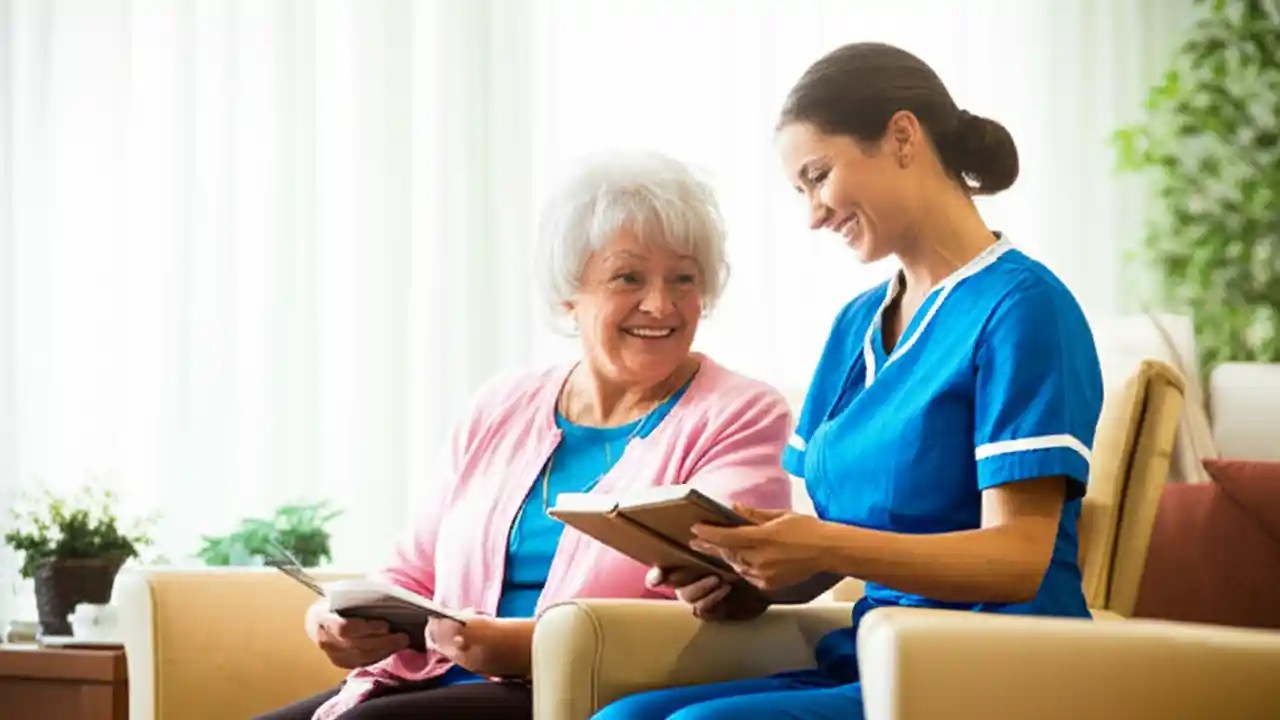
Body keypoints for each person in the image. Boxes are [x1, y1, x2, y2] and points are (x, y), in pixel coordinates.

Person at [594, 41, 1104, 720]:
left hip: (990, 670)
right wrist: (751, 575)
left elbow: (1017, 558)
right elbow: (839, 543)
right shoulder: (857, 324)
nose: (812, 212)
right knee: (620, 717)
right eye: (800, 189)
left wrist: (823, 544)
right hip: (878, 659)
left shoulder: (1023, 308)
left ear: (902, 137)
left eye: (818, 175)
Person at [255, 150, 793, 720]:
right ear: (569, 292)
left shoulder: (741, 414)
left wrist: (528, 644)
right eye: (628, 277)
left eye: (683, 278)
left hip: (585, 691)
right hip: (438, 679)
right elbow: (412, 573)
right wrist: (339, 622)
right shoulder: (500, 407)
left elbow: (720, 604)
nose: (660, 304)